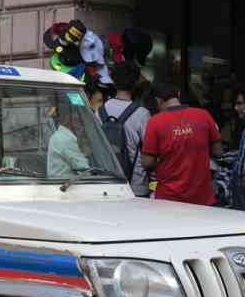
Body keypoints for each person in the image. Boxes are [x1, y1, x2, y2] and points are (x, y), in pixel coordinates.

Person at [141, 81, 222, 206]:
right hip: (202, 197)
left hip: (169, 198)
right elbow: (218, 152)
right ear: (178, 95)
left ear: (158, 100)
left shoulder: (154, 122)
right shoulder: (203, 115)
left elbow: (146, 162)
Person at [101, 62, 151, 196]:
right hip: (136, 186)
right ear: (135, 83)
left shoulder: (100, 111)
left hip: (106, 183)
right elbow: (150, 150)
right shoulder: (142, 113)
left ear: (113, 80)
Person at [47, 103, 90, 177]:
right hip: (64, 183)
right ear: (67, 119)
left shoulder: (61, 135)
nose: (80, 118)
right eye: (76, 115)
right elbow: (83, 168)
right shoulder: (65, 139)